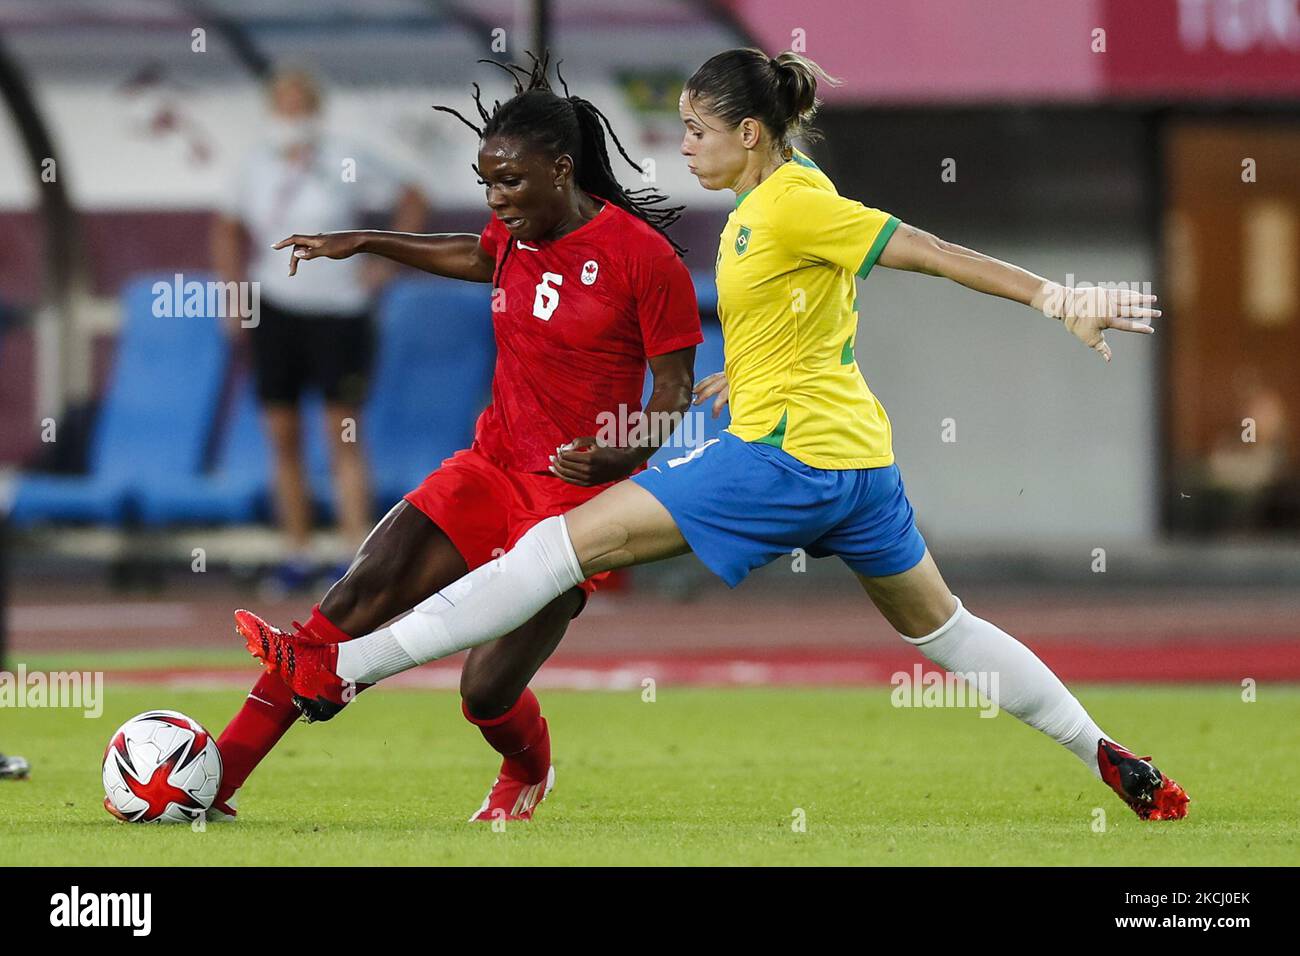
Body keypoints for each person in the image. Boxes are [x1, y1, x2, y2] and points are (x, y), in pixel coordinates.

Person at [245, 48, 1190, 823]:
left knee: (555, 549)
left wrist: (1057, 297)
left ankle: (337, 668)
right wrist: (711, 388)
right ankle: (1105, 753)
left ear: (748, 133)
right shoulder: (774, 206)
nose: (684, 147)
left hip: (780, 460)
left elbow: (924, 250)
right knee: (944, 630)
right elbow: (794, 332)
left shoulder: (792, 202)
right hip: (857, 465)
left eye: (697, 131)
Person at [214, 54, 702, 823]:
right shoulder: (513, 235)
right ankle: (211, 784)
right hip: (491, 465)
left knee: (485, 692)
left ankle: (528, 766)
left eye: (509, 182)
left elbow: (673, 393)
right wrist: (367, 241)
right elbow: (476, 253)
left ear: (561, 169)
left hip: (574, 504)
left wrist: (627, 450)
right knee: (345, 607)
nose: (496, 200)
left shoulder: (643, 260)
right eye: (486, 184)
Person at [212, 67, 429, 591]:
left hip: (339, 310)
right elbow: (227, 226)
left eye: (299, 105)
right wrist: (232, 293)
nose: (291, 116)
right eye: (282, 105)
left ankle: (354, 553)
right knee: (282, 434)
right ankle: (297, 552)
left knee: (343, 432)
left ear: (314, 108)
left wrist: (384, 261)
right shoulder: (254, 164)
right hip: (276, 307)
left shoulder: (344, 158)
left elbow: (411, 195)